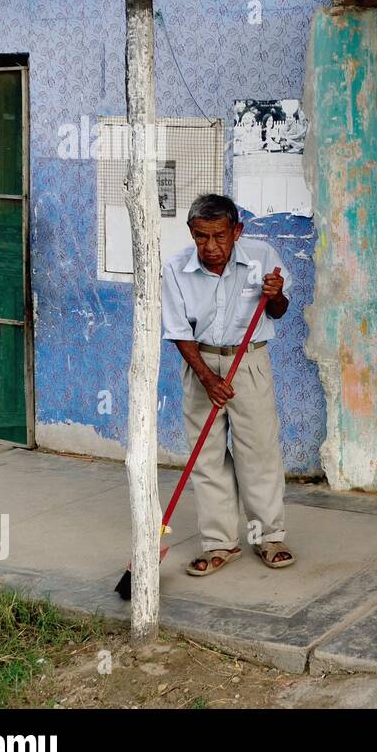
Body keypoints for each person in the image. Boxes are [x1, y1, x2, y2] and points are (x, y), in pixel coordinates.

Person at [160, 193, 297, 576]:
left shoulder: (262, 257)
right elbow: (178, 331)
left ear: (236, 231)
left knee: (259, 452)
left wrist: (276, 294)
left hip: (249, 360)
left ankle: (268, 537)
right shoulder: (175, 269)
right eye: (202, 237)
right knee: (207, 458)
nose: (211, 247)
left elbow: (279, 311)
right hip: (200, 362)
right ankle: (220, 543)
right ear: (191, 232)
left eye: (220, 236)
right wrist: (207, 378)